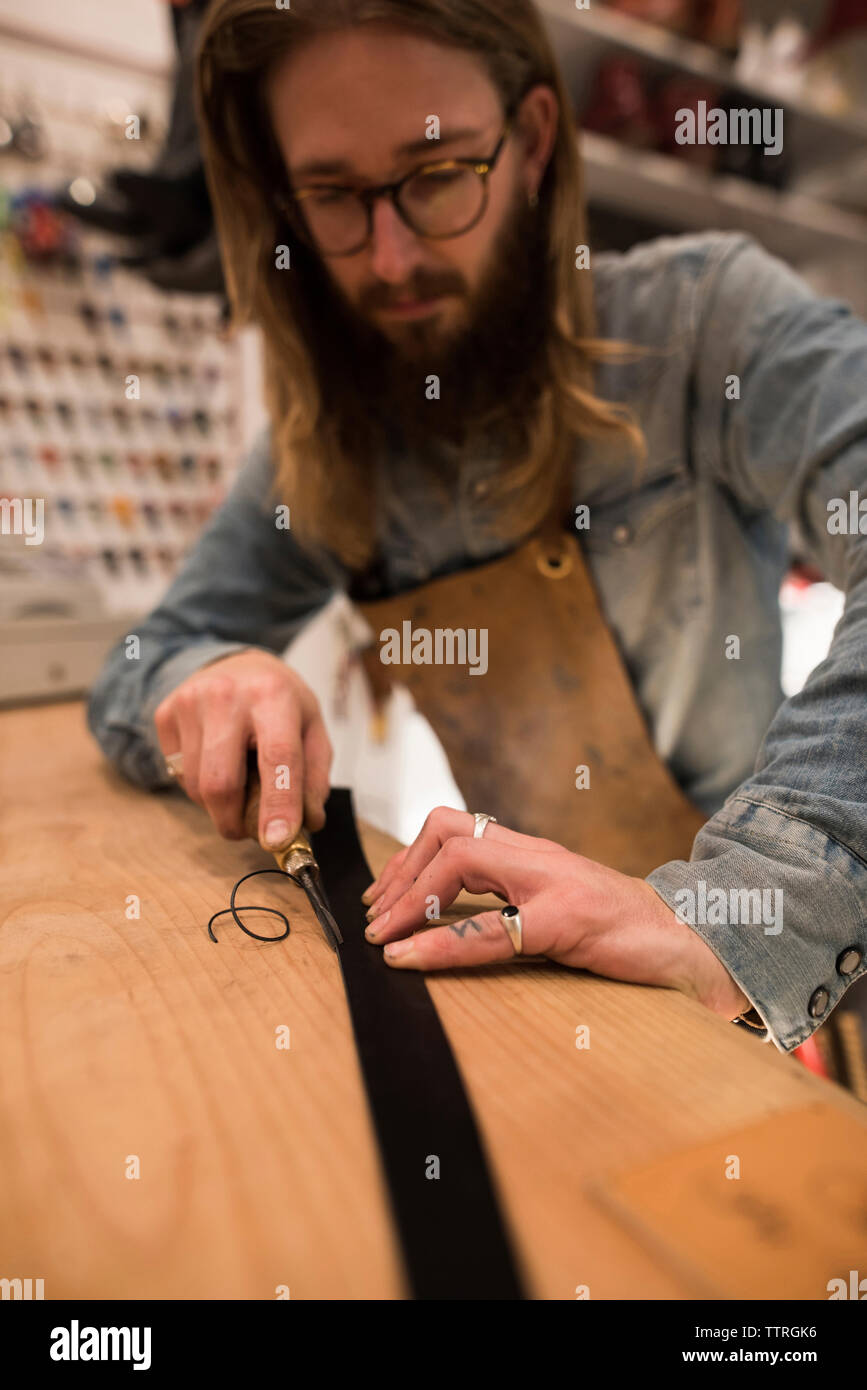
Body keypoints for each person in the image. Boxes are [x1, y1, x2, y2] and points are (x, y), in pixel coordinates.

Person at [88, 0, 867, 1055]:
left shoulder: (704, 324)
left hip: (778, 997)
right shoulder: (326, 449)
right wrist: (207, 673)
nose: (393, 257)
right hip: (560, 997)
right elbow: (139, 661)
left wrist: (734, 912)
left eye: (438, 172)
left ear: (535, 139)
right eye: (331, 198)